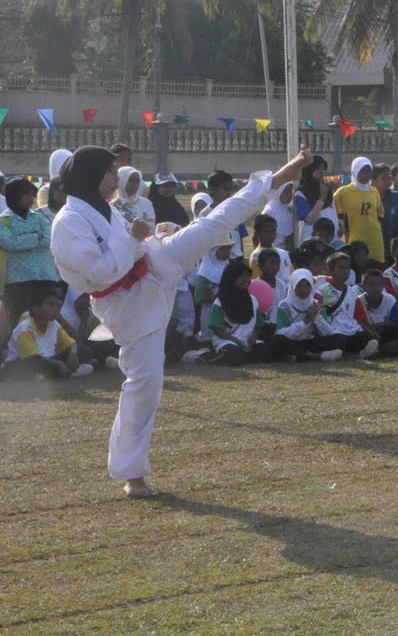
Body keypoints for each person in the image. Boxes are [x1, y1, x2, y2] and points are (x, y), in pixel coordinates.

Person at [50, 144, 312, 496]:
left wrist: (153, 234)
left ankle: (277, 178)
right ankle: (132, 474)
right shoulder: (68, 222)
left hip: (154, 266)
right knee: (145, 384)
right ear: (92, 177)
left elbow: (132, 243)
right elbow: (100, 271)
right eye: (111, 172)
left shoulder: (104, 210)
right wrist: (135, 237)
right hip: (127, 303)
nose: (116, 177)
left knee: (211, 222)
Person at [0, 178, 61, 321]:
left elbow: (49, 240)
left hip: (45, 276)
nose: (30, 198)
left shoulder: (39, 217)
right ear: (14, 196)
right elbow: (11, 243)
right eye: (26, 194)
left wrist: (24, 239)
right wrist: (35, 237)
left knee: (47, 318)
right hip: (19, 280)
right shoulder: (4, 221)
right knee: (20, 318)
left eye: (32, 194)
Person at [3, 285, 94, 380]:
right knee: (25, 367)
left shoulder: (54, 324)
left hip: (49, 359)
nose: (56, 309)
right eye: (51, 305)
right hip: (25, 361)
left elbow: (72, 343)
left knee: (84, 352)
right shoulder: (25, 328)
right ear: (36, 309)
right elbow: (32, 358)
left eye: (58, 306)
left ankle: (51, 374)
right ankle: (65, 372)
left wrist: (73, 353)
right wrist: (58, 363)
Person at [184, 259, 262, 366]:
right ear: (231, 278)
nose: (246, 279)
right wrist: (236, 341)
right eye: (241, 276)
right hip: (227, 340)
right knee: (234, 354)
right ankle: (202, 357)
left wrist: (252, 338)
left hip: (247, 340)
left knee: (264, 351)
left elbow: (258, 325)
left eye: (248, 276)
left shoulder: (253, 300)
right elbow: (218, 329)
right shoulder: (220, 301)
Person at [269, 269, 346, 362]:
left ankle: (298, 355)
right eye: (300, 286)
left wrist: (316, 316)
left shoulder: (316, 304)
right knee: (277, 341)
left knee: (340, 339)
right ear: (293, 286)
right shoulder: (284, 305)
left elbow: (329, 332)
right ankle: (314, 356)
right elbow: (282, 333)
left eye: (308, 285)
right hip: (291, 342)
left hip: (309, 342)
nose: (304, 290)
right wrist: (305, 321)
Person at [333, 157, 385, 258]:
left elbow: (380, 215)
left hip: (375, 239)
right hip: (355, 239)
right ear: (355, 171)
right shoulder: (343, 192)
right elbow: (335, 213)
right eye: (362, 171)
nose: (366, 175)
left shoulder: (374, 191)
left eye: (369, 172)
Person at [373, 163, 398, 262]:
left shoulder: (396, 197)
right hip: (374, 245)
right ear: (373, 181)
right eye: (383, 178)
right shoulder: (370, 197)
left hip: (393, 247)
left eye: (389, 178)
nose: (388, 181)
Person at [292, 155, 334, 245]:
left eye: (323, 168)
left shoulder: (326, 188)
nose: (321, 171)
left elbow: (332, 212)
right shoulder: (301, 192)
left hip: (330, 238)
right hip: (311, 239)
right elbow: (309, 220)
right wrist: (321, 199)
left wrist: (339, 225)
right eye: (317, 168)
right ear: (309, 169)